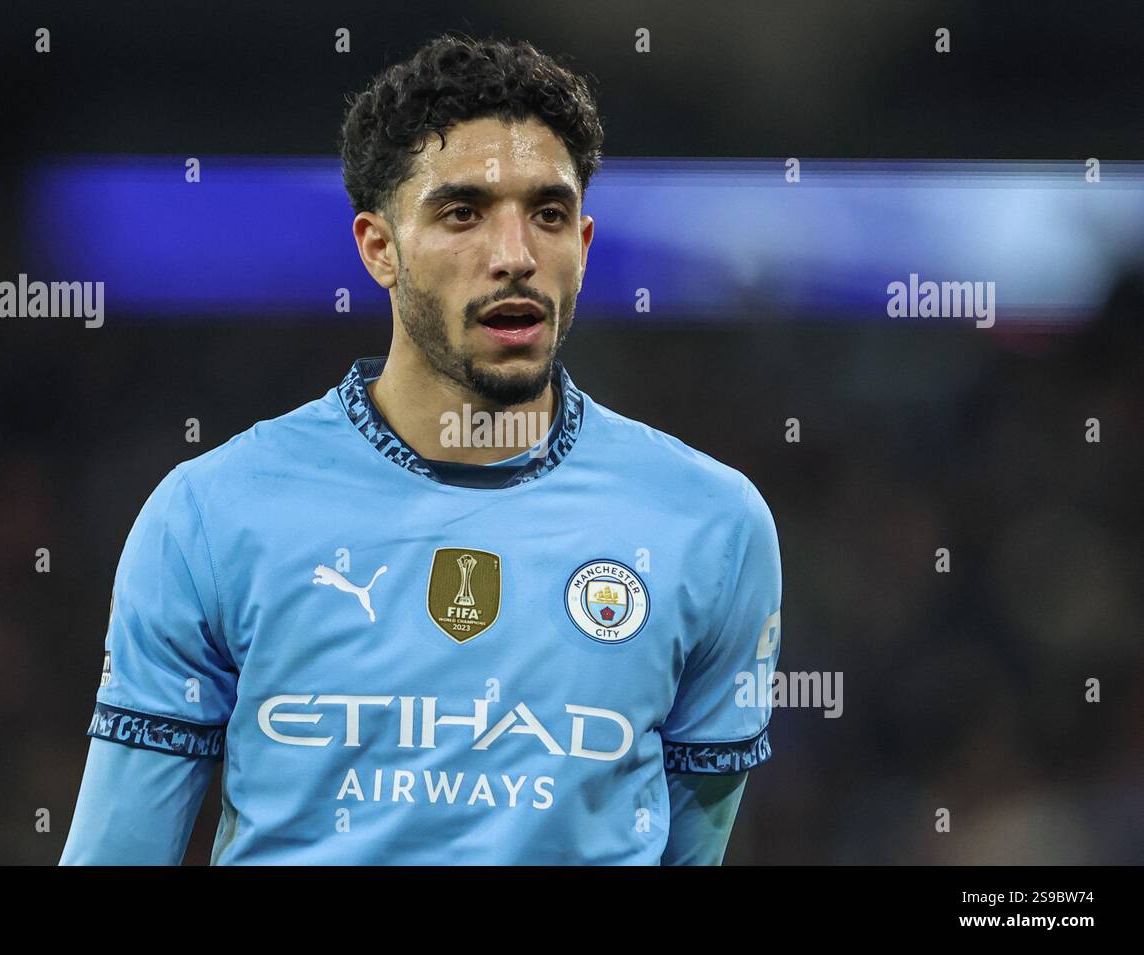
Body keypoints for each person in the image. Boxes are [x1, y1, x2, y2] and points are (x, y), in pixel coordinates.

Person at [60, 33, 781, 865]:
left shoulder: (712, 525)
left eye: (547, 214)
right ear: (378, 248)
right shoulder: (210, 515)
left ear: (583, 244)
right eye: (462, 212)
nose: (515, 255)